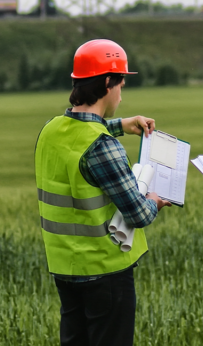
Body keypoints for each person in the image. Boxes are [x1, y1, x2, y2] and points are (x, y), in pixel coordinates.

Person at [34, 39, 171, 346]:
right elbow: (137, 214)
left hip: (64, 268)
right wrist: (155, 201)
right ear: (108, 83)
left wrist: (122, 125)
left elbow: (81, 133)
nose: (121, 96)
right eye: (121, 85)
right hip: (106, 272)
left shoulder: (50, 130)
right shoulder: (102, 146)